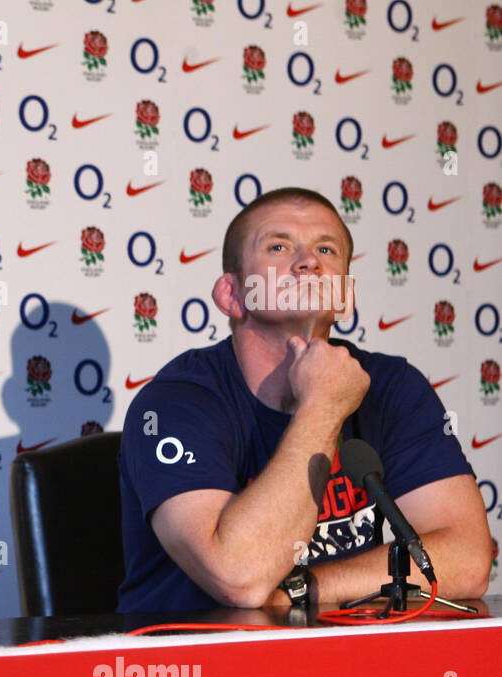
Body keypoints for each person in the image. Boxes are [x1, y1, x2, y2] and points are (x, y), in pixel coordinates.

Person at [117, 187, 490, 612]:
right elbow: (239, 577)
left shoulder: (392, 387)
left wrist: (308, 589)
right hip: (193, 665)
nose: (308, 261)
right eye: (278, 246)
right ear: (232, 294)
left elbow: (468, 559)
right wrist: (324, 405)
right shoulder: (175, 403)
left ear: (346, 296)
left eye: (326, 249)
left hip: (340, 658)